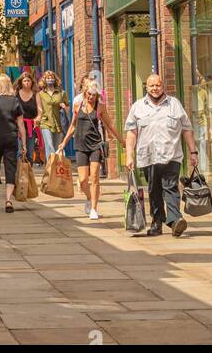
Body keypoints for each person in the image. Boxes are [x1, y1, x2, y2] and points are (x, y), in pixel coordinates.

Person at [125, 73, 197, 237]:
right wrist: (129, 155)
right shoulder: (138, 107)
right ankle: (157, 223)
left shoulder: (174, 105)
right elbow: (131, 133)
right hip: (148, 156)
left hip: (171, 155)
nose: (155, 89)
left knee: (171, 187)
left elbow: (186, 129)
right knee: (154, 190)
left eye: (158, 85)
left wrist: (193, 151)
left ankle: (175, 220)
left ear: (163, 86)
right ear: (146, 87)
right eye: (151, 86)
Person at [60, 80, 123, 220]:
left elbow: (110, 125)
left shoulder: (100, 107)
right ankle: (89, 198)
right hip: (80, 145)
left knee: (94, 176)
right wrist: (64, 142)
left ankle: (94, 208)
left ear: (97, 95)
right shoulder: (78, 105)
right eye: (89, 94)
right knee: (83, 180)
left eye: (94, 95)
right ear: (85, 92)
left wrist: (122, 141)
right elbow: (73, 125)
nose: (91, 97)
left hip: (95, 145)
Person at [0, 73, 26, 214]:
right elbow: (21, 124)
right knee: (10, 169)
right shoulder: (14, 100)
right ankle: (8, 200)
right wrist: (24, 144)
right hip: (11, 138)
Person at [37, 71, 69, 166]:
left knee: (57, 148)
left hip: (58, 123)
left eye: (51, 78)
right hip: (45, 122)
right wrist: (38, 119)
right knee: (49, 146)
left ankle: (58, 170)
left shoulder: (61, 93)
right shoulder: (40, 94)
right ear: (44, 80)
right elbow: (39, 109)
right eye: (47, 78)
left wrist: (64, 106)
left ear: (55, 80)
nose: (50, 80)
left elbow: (68, 109)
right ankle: (50, 170)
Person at [16, 70, 40, 166]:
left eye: (28, 80)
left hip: (31, 126)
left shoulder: (35, 94)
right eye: (25, 81)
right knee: (19, 152)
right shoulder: (16, 94)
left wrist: (38, 118)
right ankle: (18, 174)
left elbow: (40, 110)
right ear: (21, 82)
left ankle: (29, 174)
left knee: (29, 152)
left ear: (32, 82)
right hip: (18, 126)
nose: (26, 82)